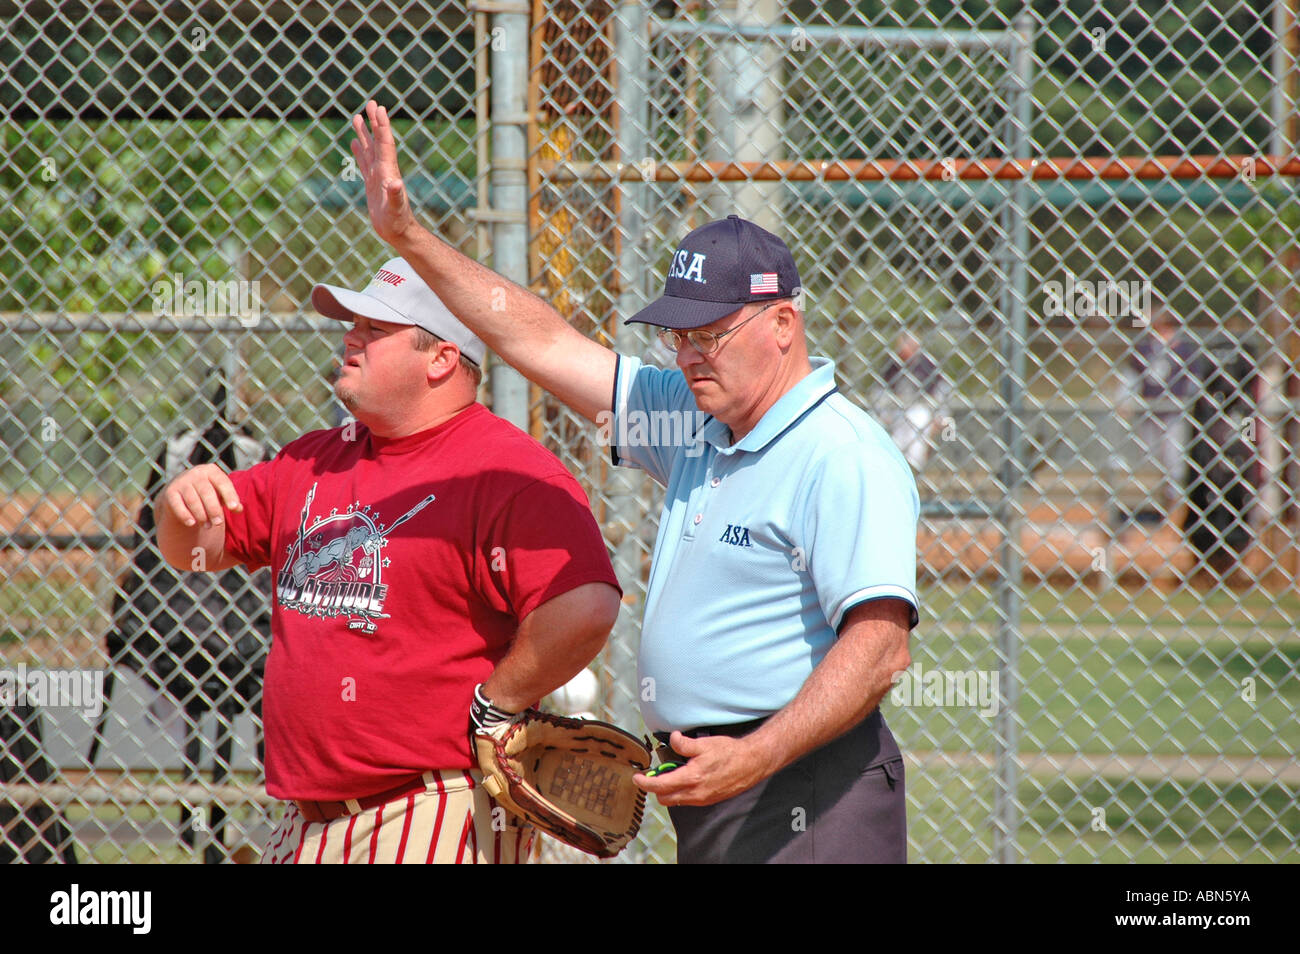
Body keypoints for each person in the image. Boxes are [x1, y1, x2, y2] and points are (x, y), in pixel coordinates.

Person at [350, 101, 918, 863]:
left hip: (804, 790)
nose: (688, 355)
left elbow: (880, 649)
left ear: (784, 325)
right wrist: (408, 239)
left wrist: (756, 756)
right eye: (677, 336)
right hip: (715, 785)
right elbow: (539, 340)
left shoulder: (840, 451)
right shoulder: (693, 423)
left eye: (710, 335)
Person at [155, 256, 622, 864]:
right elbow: (193, 552)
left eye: (376, 329)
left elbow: (586, 606)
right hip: (302, 818)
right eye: (354, 323)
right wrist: (178, 502)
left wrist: (499, 701)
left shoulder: (508, 472)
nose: (351, 337)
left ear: (441, 358)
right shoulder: (313, 460)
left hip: (434, 809)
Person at [1119, 301, 1200, 520]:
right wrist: (1125, 400)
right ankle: (1153, 504)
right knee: (1150, 457)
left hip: (1174, 414)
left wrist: (1191, 404)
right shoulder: (1145, 349)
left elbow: (1195, 383)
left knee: (1173, 459)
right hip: (1149, 412)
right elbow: (1130, 378)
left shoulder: (1184, 351)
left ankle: (1173, 504)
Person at [871, 331, 952, 471]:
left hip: (921, 411)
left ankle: (914, 468)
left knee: (918, 423)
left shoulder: (928, 365)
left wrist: (941, 418)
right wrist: (882, 417)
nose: (903, 350)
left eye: (907, 345)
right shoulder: (892, 366)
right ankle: (898, 467)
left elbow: (942, 392)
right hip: (897, 411)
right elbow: (878, 393)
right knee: (896, 441)